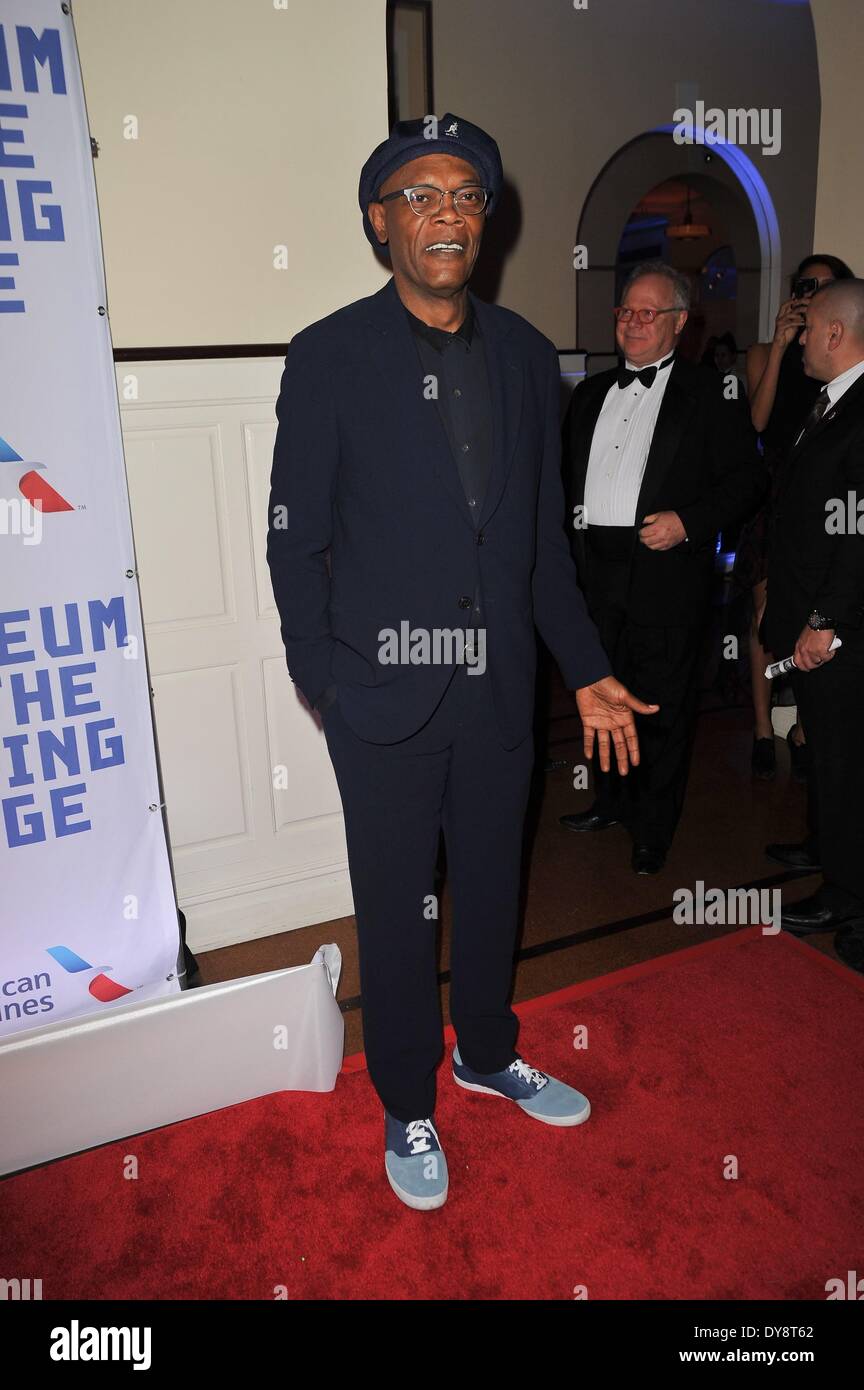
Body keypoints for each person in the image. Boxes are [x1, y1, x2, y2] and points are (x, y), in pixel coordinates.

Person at [266, 114, 656, 1211]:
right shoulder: (329, 354)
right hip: (379, 696)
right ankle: (406, 1098)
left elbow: (538, 548)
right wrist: (323, 679)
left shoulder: (533, 359)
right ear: (380, 222)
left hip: (495, 698)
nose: (449, 214)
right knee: (396, 908)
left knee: (491, 888)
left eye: (468, 197)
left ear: (486, 221)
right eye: (422, 195)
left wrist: (581, 667)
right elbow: (294, 536)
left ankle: (486, 1053)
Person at [560, 262, 766, 874]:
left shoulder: (709, 392)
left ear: (679, 323)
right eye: (625, 311)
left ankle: (653, 827)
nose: (632, 322)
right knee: (602, 687)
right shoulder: (592, 391)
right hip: (594, 568)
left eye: (648, 312)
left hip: (666, 572)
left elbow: (750, 480)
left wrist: (689, 522)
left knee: (661, 706)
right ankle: (609, 801)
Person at [762, 279, 864, 968]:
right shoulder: (832, 403)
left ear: (834, 332)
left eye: (808, 330)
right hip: (817, 615)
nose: (799, 340)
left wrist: (824, 620)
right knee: (830, 760)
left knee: (851, 768)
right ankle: (837, 877)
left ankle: (855, 907)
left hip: (845, 631)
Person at [737, 255, 854, 781]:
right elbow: (756, 423)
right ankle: (767, 729)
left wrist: (827, 618)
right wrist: (782, 343)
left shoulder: (848, 394)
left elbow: (854, 530)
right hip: (781, 508)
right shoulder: (789, 359)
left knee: (832, 730)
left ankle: (835, 851)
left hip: (825, 556)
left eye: (821, 291)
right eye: (804, 287)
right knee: (768, 620)